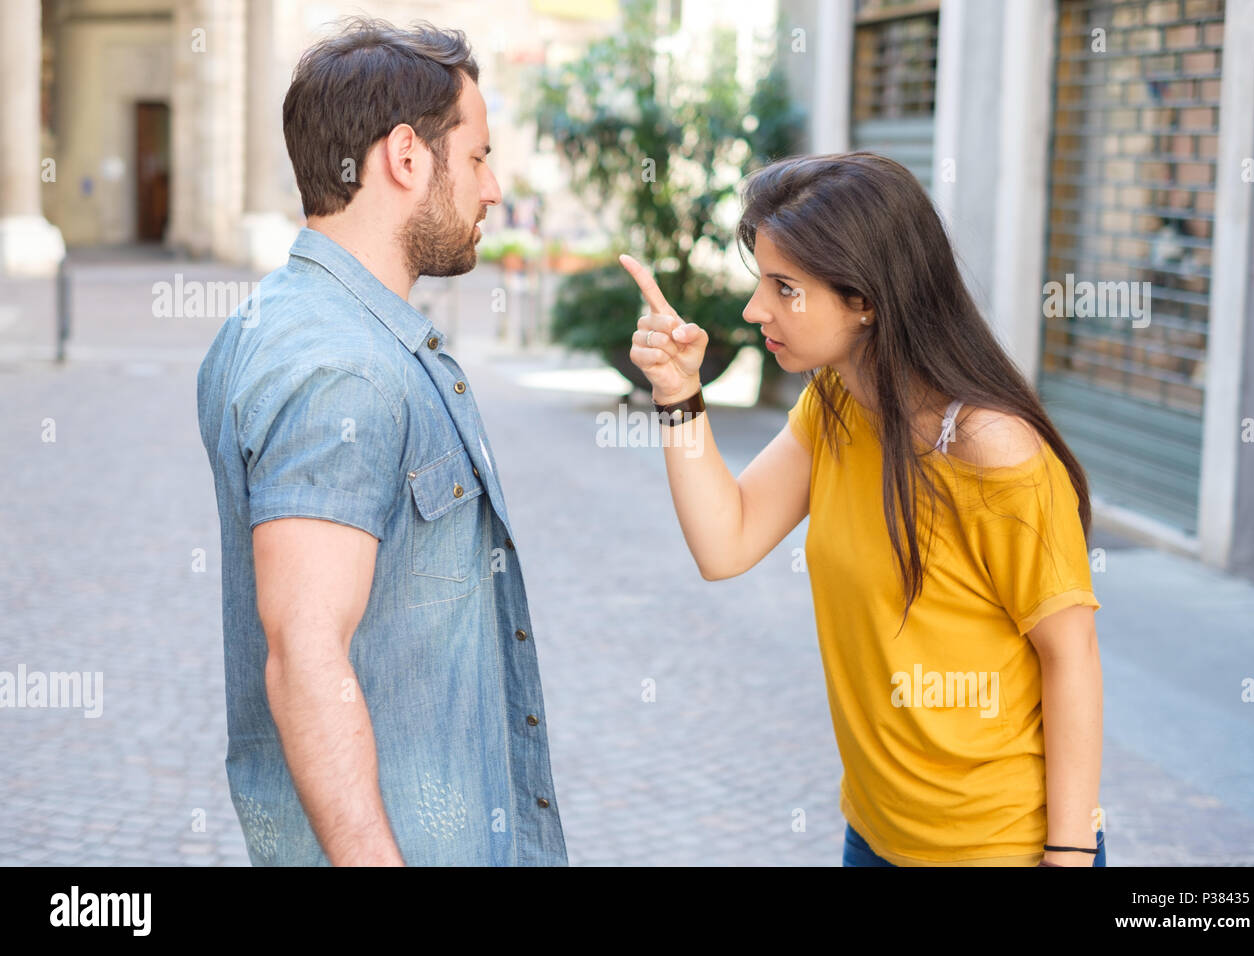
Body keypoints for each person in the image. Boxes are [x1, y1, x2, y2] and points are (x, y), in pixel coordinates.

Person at [619, 152, 1106, 867]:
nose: (756, 310)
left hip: (996, 848)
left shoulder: (996, 454)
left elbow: (1072, 659)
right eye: (761, 281)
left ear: (867, 300)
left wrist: (1066, 858)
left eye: (785, 288)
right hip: (875, 835)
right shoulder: (837, 403)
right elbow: (726, 544)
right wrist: (676, 395)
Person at [196, 18, 567, 866]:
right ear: (406, 156)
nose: (493, 188)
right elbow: (304, 652)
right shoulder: (343, 369)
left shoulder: (281, 320)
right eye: (476, 157)